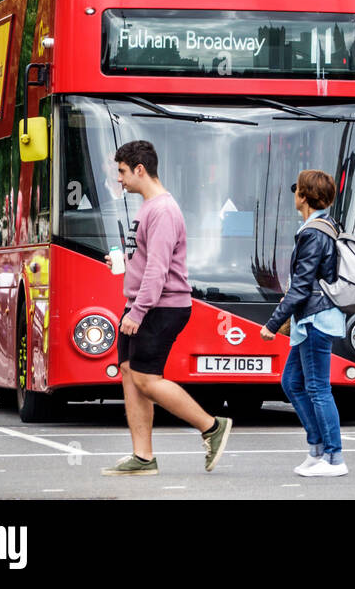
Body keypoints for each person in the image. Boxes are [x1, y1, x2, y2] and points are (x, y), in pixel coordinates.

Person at [101, 140, 232, 476]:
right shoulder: (150, 207)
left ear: (140, 169)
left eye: (122, 171)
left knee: (145, 378)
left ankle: (212, 427)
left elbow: (159, 271)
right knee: (130, 374)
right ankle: (143, 457)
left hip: (161, 307)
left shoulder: (161, 210)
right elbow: (151, 261)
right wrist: (126, 262)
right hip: (146, 304)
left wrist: (138, 312)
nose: (120, 179)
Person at [260, 169, 348, 477]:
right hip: (312, 318)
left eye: (297, 189)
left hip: (316, 319)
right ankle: (317, 448)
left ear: (304, 196)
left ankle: (334, 457)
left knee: (317, 388)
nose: (294, 193)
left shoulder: (314, 233)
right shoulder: (320, 227)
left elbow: (301, 286)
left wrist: (272, 324)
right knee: (292, 382)